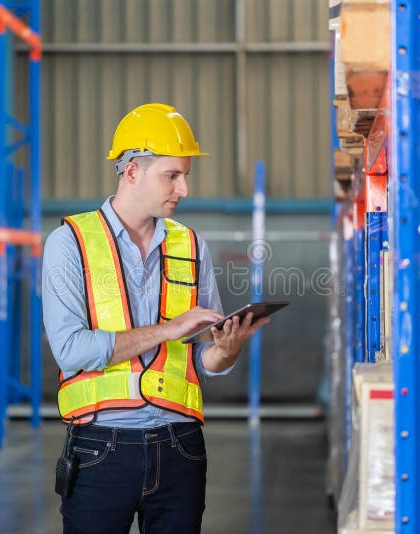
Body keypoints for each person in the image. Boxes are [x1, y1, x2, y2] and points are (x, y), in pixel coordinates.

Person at [42, 103, 270, 534]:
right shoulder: (69, 243)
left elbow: (199, 360)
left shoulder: (190, 244)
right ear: (132, 171)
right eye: (172, 175)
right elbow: (71, 350)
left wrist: (225, 351)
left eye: (185, 175)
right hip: (100, 449)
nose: (183, 188)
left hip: (181, 447)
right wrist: (168, 330)